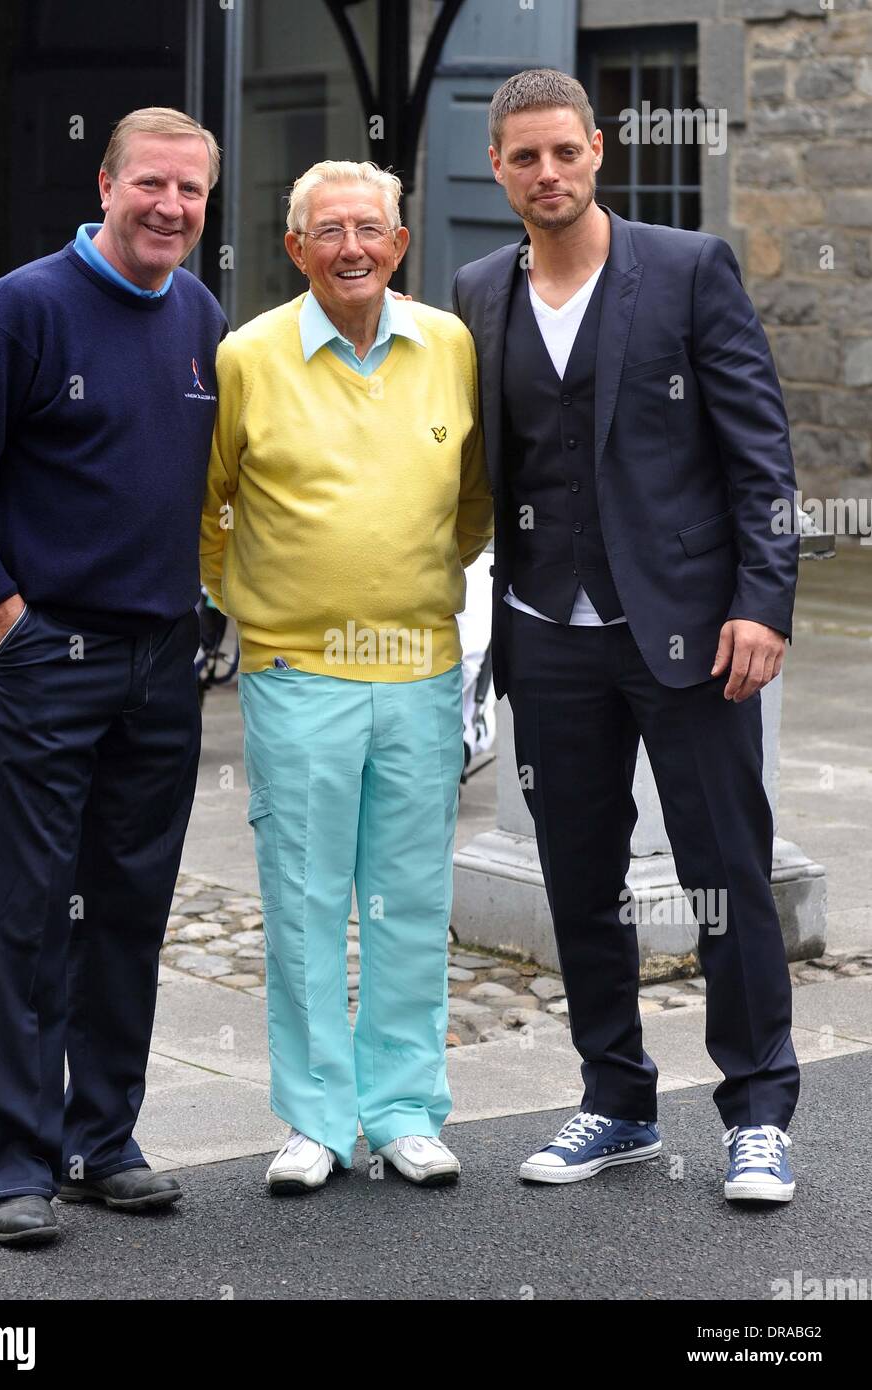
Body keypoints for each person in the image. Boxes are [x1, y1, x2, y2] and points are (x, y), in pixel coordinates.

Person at [453, 69, 800, 1203]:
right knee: (578, 879)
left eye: (563, 152)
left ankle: (757, 1111)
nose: (546, 174)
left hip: (692, 633)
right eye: (523, 158)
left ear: (596, 150)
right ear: (496, 168)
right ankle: (616, 1099)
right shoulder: (474, 291)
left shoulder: (688, 268)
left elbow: (759, 451)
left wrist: (762, 600)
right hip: (546, 632)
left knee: (725, 873)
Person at [0, 107, 227, 1245]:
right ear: (105, 183)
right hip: (51, 661)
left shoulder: (199, 316)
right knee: (31, 914)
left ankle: (104, 1137)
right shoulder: (23, 307)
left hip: (161, 664)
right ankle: (19, 1163)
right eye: (151, 184)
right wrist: (6, 607)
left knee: (129, 907)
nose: (170, 207)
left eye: (190, 191)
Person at [200, 160, 492, 1193]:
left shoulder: (449, 346)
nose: (351, 248)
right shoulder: (247, 356)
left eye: (369, 228)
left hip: (418, 667)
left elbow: (473, 501)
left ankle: (406, 1109)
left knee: (411, 898)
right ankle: (318, 1119)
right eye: (327, 232)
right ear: (294, 249)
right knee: (305, 896)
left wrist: (408, 586)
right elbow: (214, 500)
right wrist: (259, 610)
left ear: (400, 244)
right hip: (297, 672)